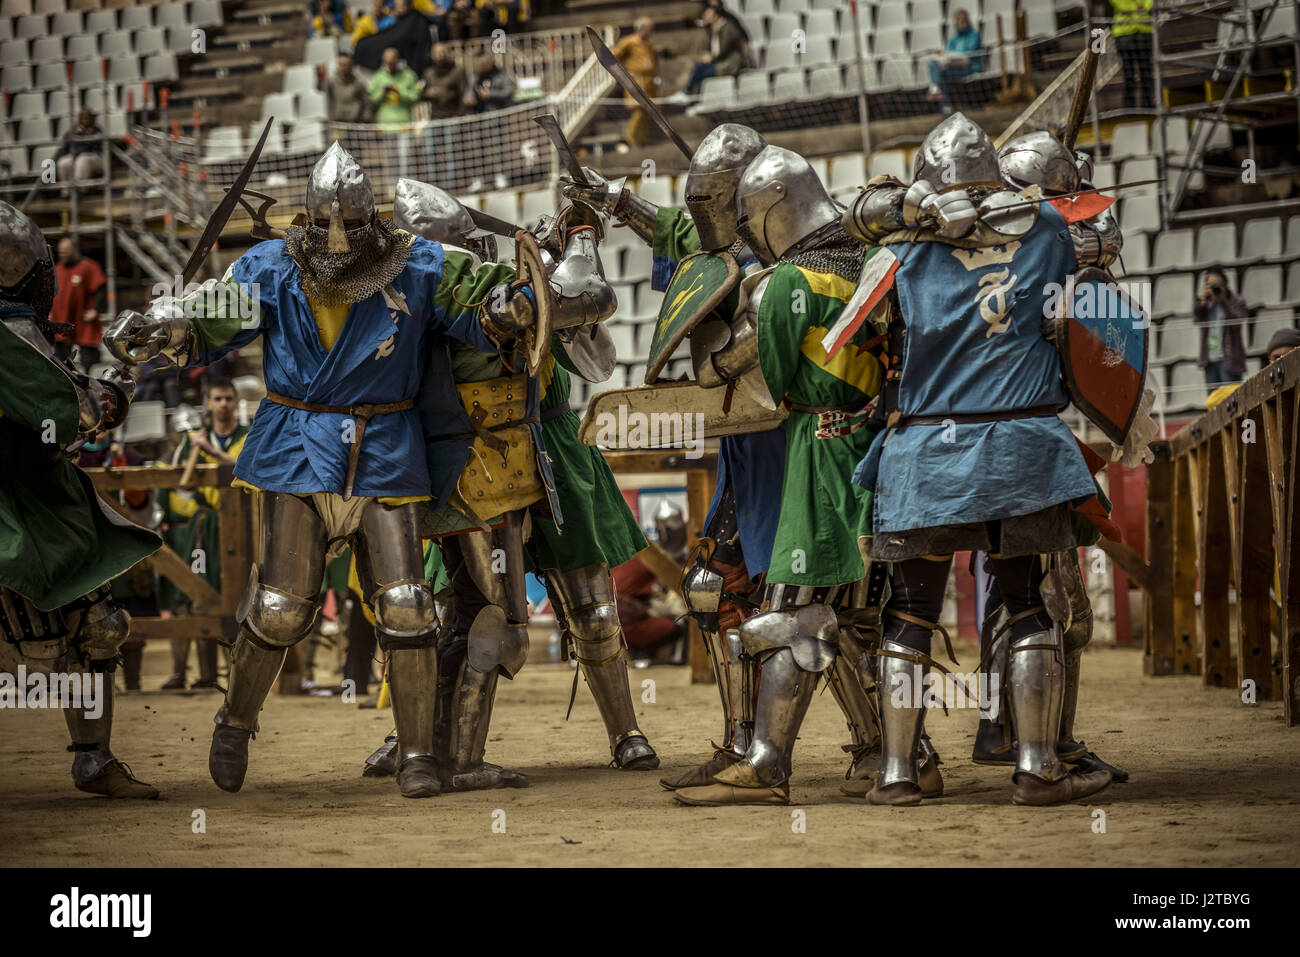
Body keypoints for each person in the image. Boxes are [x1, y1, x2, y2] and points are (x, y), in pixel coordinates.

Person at [104, 142, 548, 799]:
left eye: (351, 229)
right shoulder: (268, 269)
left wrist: (509, 311)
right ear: (305, 224)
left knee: (405, 602)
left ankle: (419, 755)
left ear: (377, 224)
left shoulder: (419, 264)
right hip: (293, 441)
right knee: (283, 608)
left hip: (386, 443)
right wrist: (164, 326)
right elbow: (206, 321)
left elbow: (480, 307)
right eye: (322, 229)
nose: (336, 243)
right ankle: (235, 718)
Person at [561, 126, 900, 797]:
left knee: (826, 603)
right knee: (716, 587)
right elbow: (673, 237)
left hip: (807, 438)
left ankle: (882, 745)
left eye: (725, 205)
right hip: (747, 439)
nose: (717, 222)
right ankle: (744, 742)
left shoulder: (827, 250)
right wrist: (614, 201)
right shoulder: (724, 246)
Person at [848, 113, 1149, 807]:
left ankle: (897, 772)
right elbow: (1101, 243)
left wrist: (900, 212)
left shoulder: (897, 249)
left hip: (926, 454)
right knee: (1026, 604)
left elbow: (851, 231)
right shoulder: (1048, 232)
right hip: (1019, 452)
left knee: (910, 610)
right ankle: (1037, 767)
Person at [362, 179, 657, 784]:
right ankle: (417, 737)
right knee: (453, 611)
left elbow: (597, 347)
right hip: (467, 466)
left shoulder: (517, 288)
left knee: (593, 606)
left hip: (554, 448)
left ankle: (627, 730)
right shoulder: (402, 310)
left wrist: (569, 248)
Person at [666, 146, 886, 807]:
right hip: (872, 451)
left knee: (797, 613)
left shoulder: (787, 282)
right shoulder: (871, 263)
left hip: (814, 453)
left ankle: (766, 758)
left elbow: (733, 371)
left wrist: (712, 319)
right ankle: (896, 754)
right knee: (856, 616)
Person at [0, 199, 161, 798]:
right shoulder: (10, 335)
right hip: (26, 506)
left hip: (34, 498)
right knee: (95, 625)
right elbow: (73, 412)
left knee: (93, 624)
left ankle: (94, 757)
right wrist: (112, 393)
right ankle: (93, 756)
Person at [159, 379, 249, 691]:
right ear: (208, 405)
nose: (223, 404)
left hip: (240, 526)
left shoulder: (248, 436)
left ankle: (239, 675)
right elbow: (182, 485)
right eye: (217, 399)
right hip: (203, 528)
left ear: (236, 402)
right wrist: (196, 450)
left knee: (237, 597)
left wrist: (209, 451)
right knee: (200, 593)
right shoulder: (192, 441)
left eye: (228, 398)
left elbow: (245, 469)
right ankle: (206, 675)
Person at [50, 236, 106, 371]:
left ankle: (88, 379)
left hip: (82, 317)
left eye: (65, 251)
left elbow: (101, 288)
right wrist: (49, 311)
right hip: (62, 317)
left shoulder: (89, 267)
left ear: (74, 250)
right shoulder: (57, 269)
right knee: (59, 354)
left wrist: (95, 309)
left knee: (87, 353)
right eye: (61, 251)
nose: (62, 254)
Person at [1194, 266, 1248, 389]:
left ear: (1226, 283)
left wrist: (1224, 301)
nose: (1214, 287)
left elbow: (1237, 322)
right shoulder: (1207, 302)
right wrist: (1203, 300)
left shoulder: (1237, 301)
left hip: (1230, 359)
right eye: (1210, 284)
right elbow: (1197, 318)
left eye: (1217, 284)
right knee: (1213, 402)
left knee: (1232, 399)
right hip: (1210, 359)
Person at [611, 18, 660, 150]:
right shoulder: (630, 41)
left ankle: (642, 141)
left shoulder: (648, 43)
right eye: (650, 28)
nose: (652, 31)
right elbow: (613, 56)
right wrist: (625, 72)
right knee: (638, 111)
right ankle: (632, 141)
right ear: (642, 28)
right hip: (637, 81)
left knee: (649, 112)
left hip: (649, 81)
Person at [925, 8, 984, 113]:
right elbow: (948, 53)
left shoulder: (974, 35)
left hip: (970, 67)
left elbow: (969, 53)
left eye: (963, 20)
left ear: (967, 21)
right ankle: (945, 105)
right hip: (954, 67)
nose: (961, 23)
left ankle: (935, 90)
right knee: (935, 64)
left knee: (939, 73)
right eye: (959, 21)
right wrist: (942, 54)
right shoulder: (953, 38)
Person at [680, 4, 744, 97]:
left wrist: (710, 58)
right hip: (718, 61)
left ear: (716, 16)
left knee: (699, 68)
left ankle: (687, 92)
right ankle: (697, 97)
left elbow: (722, 51)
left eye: (707, 15)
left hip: (729, 64)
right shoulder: (713, 29)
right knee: (700, 71)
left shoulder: (728, 29)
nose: (705, 17)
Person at [1112, 0, 1155, 110]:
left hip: (1141, 32)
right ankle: (1131, 106)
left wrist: (1142, 7)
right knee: (1130, 73)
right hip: (1125, 34)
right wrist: (1138, 7)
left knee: (1144, 72)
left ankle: (1145, 104)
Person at [368, 47, 421, 128]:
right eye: (386, 63)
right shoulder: (378, 76)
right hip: (384, 124)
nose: (389, 66)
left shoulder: (409, 75)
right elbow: (372, 99)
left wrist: (399, 91)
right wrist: (382, 92)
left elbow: (415, 97)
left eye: (392, 63)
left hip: (404, 124)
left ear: (398, 60)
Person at [55, 109, 105, 186]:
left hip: (95, 156)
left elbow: (100, 147)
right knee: (63, 163)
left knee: (82, 159)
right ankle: (66, 190)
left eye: (87, 118)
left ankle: (80, 188)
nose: (85, 120)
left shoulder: (97, 130)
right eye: (83, 118)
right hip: (76, 155)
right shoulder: (74, 130)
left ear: (92, 119)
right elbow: (65, 144)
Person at [422, 43, 466, 119]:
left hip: (454, 116)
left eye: (443, 51)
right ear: (432, 56)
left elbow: (464, 94)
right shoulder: (428, 73)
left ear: (449, 53)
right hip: (435, 116)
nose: (441, 55)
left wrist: (460, 115)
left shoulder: (458, 71)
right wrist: (427, 94)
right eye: (437, 53)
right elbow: (421, 95)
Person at [327, 52, 372, 126]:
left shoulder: (359, 83)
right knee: (336, 138)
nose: (342, 67)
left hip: (354, 123)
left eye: (345, 65)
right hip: (337, 123)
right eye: (340, 64)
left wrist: (365, 120)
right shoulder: (332, 82)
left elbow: (367, 103)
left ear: (351, 65)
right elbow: (328, 99)